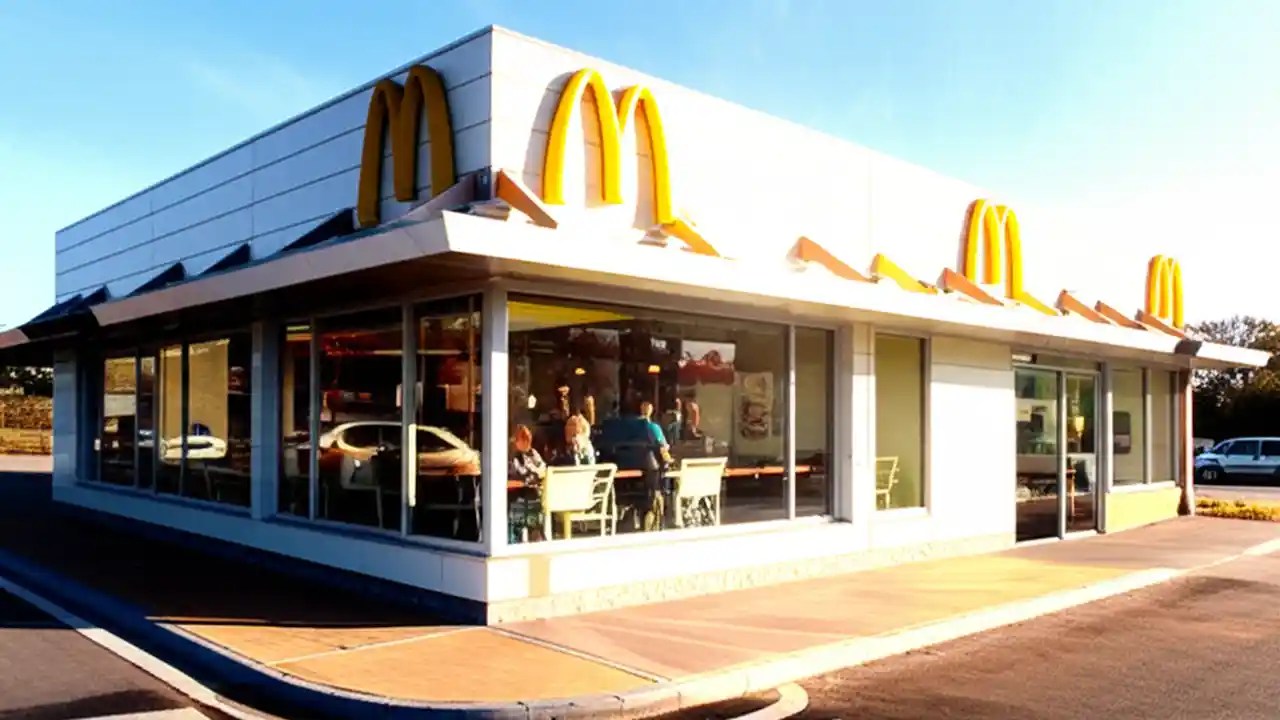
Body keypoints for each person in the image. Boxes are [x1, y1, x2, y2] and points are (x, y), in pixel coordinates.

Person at [508, 424, 546, 543]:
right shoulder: (517, 457)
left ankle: (530, 535)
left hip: (528, 495)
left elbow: (538, 472)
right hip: (526, 495)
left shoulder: (531, 455)